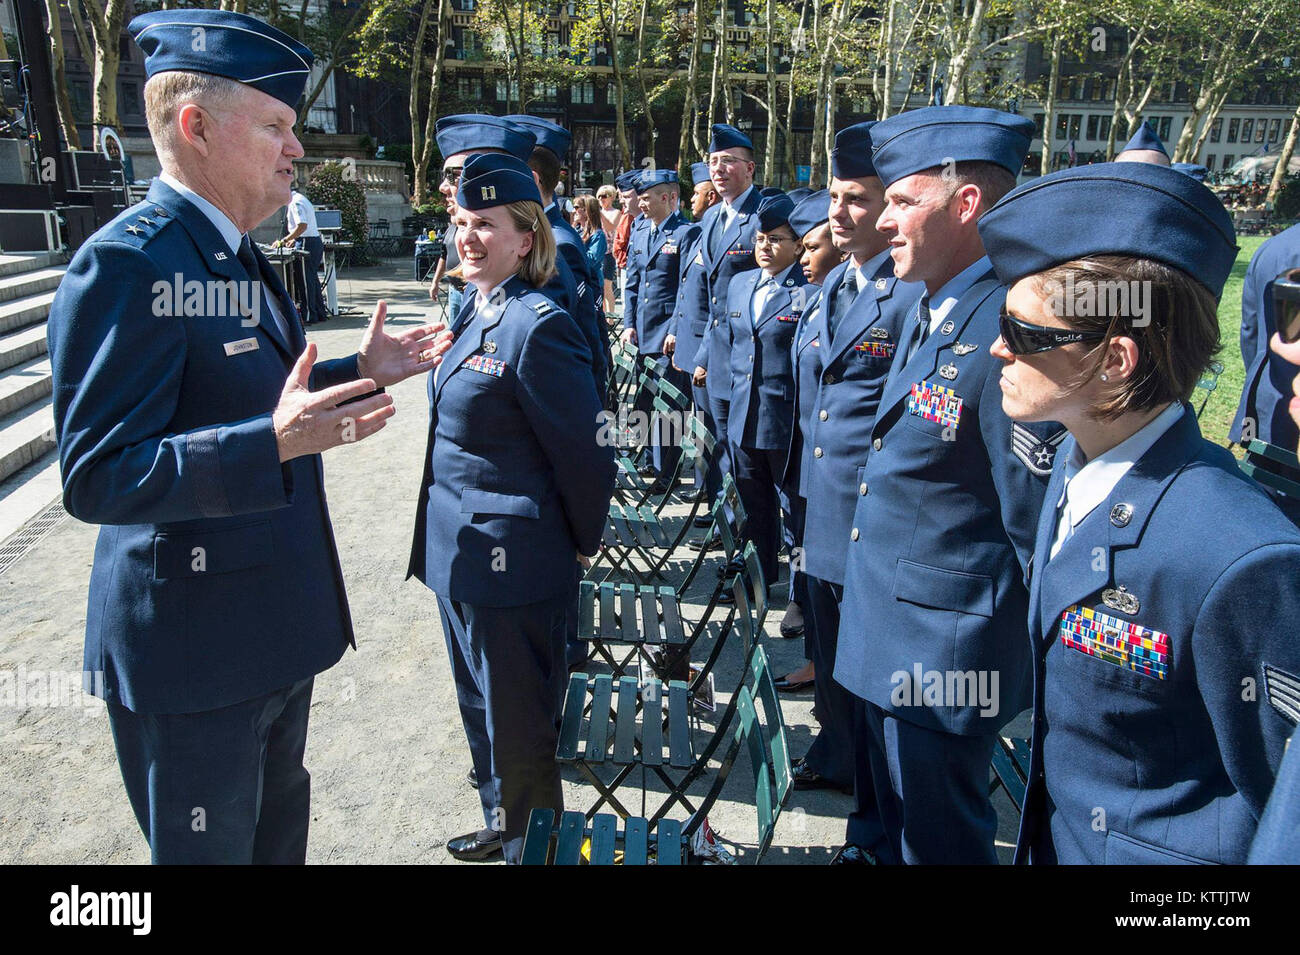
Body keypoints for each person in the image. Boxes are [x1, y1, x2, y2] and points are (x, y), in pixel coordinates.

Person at [46, 9, 450, 864]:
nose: (295, 150)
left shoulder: (231, 251)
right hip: (193, 663)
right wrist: (265, 446)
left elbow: (256, 394)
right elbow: (96, 472)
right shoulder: (132, 262)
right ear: (196, 127)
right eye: (274, 126)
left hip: (266, 638)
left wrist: (357, 367)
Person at [978, 160, 1300, 864]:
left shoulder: (1239, 555)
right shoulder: (1074, 465)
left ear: (1115, 361)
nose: (998, 345)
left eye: (1024, 331)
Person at [833, 106, 1064, 865]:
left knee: (940, 846)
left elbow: (1036, 524)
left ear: (965, 206)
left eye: (902, 201)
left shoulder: (1006, 324)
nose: (885, 220)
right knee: (898, 833)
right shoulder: (930, 306)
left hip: (945, 658)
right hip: (890, 633)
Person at [407, 152, 615, 864]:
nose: (467, 236)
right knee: (483, 715)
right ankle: (503, 820)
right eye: (461, 222)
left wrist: (583, 541)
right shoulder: (474, 307)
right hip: (459, 561)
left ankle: (538, 848)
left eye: (485, 225)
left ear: (525, 238)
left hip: (517, 570)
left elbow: (588, 451)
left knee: (521, 730)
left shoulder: (538, 324)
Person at [794, 123, 924, 804]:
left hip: (863, 515)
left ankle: (864, 780)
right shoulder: (832, 283)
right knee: (830, 650)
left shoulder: (907, 297)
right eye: (833, 197)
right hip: (820, 503)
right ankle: (839, 750)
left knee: (861, 662)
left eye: (857, 200)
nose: (837, 214)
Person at [774, 188, 840, 690]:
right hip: (804, 463)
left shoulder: (841, 300)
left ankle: (825, 670)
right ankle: (817, 661)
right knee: (809, 568)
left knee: (830, 585)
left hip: (833, 473)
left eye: (812, 247)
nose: (803, 257)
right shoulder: (820, 297)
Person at [507, 115, 608, 397]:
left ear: (532, 180)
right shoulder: (545, 233)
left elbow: (563, 345)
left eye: (504, 174)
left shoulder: (555, 242)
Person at [692, 124, 763, 516]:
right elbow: (710, 299)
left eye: (728, 162)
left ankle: (755, 546)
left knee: (746, 457)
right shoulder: (711, 219)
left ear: (750, 169)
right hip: (717, 357)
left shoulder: (762, 217)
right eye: (713, 162)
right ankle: (731, 530)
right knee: (721, 449)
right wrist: (702, 354)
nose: (718, 170)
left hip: (750, 360)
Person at [622, 169, 699, 487]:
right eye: (639, 197)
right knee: (648, 398)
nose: (641, 203)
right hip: (643, 331)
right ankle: (652, 462)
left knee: (670, 407)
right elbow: (633, 283)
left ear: (668, 198)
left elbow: (686, 288)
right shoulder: (641, 231)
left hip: (668, 333)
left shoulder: (685, 233)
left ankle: (667, 472)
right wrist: (628, 323)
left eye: (647, 197)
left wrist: (675, 330)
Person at [1231, 223, 1300, 455]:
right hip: (1289, 411)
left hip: (1264, 404)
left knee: (1260, 485)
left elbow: (1250, 329)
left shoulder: (1270, 246)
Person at [274, 187, 328, 324]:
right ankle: (320, 312)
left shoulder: (295, 202)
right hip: (312, 241)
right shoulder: (301, 199)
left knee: (305, 281)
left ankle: (309, 315)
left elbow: (302, 225)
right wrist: (293, 239)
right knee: (312, 279)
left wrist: (284, 240)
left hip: (306, 242)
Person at [571, 195, 608, 283]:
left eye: (576, 207)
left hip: (592, 282)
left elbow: (591, 261)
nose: (573, 211)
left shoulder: (598, 235)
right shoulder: (576, 230)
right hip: (578, 279)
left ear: (586, 210)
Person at [596, 184, 622, 313]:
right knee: (599, 286)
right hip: (598, 252)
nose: (601, 199)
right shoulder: (598, 213)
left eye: (604, 196)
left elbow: (611, 227)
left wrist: (600, 214)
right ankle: (603, 314)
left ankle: (611, 316)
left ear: (611, 197)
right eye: (599, 196)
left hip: (609, 253)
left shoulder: (616, 212)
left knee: (607, 285)